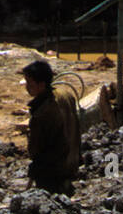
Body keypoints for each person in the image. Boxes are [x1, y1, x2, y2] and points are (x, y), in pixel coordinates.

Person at [22, 59, 81, 196]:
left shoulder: (43, 112)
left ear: (41, 85)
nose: (27, 87)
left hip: (53, 169)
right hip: (71, 161)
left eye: (30, 84)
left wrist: (36, 167)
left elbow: (37, 147)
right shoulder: (65, 95)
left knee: (50, 202)